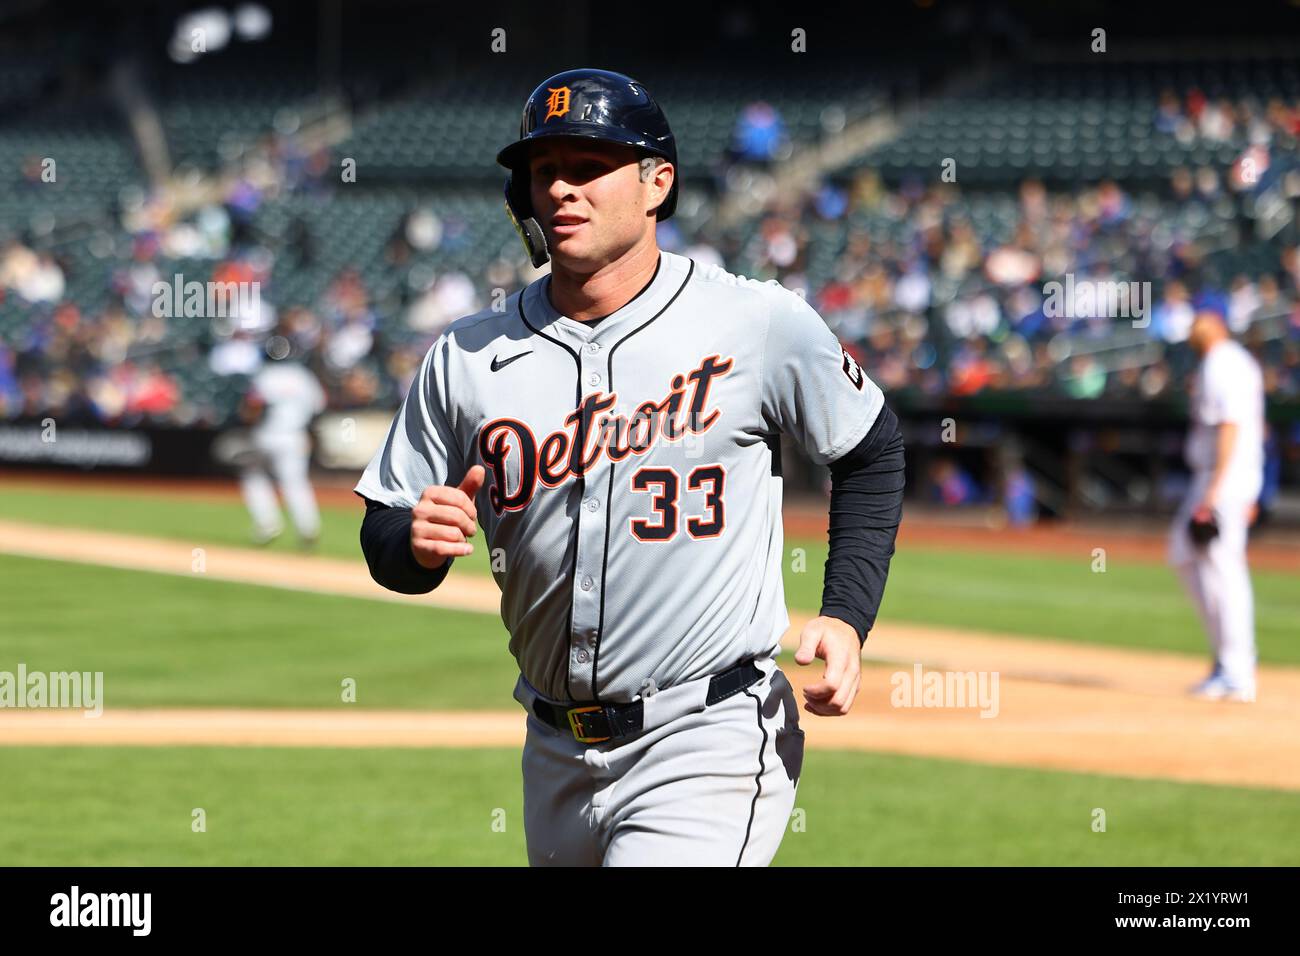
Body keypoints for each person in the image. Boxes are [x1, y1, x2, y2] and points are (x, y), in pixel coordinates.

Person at [355, 69, 905, 866]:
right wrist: (414, 542)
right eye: (546, 172)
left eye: (589, 167)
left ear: (658, 184)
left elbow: (872, 448)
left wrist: (848, 614)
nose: (563, 190)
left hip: (706, 733)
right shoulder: (468, 354)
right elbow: (385, 534)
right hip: (552, 752)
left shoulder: (755, 322)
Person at [1168, 309, 1265, 702]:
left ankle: (1237, 671)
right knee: (1185, 554)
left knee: (1223, 568)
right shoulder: (1228, 362)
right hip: (1220, 476)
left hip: (1221, 477)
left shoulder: (1223, 363)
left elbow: (1231, 426)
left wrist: (1218, 490)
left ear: (1219, 323)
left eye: (1201, 319)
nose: (1195, 326)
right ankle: (1227, 662)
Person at [236, 334, 327, 547]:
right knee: (295, 483)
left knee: (253, 476)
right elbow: (318, 407)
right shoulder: (304, 376)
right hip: (295, 435)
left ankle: (268, 523)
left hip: (267, 434)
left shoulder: (264, 375)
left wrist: (244, 418)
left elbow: (253, 406)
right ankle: (308, 528)